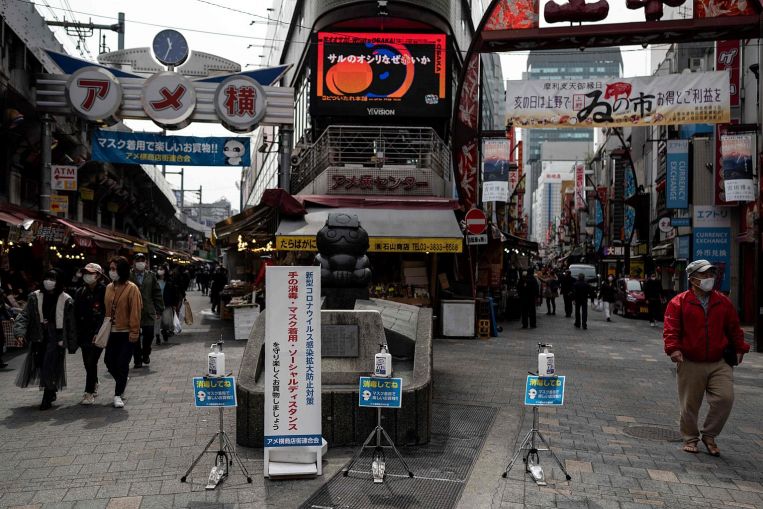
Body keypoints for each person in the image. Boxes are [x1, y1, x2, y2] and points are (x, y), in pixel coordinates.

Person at [663, 260, 750, 456]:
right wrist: (673, 349)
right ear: (693, 279)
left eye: (711, 274)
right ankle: (690, 438)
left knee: (725, 398)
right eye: (704, 275)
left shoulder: (723, 302)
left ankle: (710, 434)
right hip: (690, 361)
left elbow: (734, 329)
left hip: (719, 361)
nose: (709, 278)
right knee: (690, 405)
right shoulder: (679, 302)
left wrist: (740, 348)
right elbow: (671, 329)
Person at [14, 269, 77, 410]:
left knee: (49, 363)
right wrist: (19, 332)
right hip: (39, 335)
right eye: (47, 278)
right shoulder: (34, 297)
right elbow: (25, 316)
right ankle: (51, 389)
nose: (49, 281)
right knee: (41, 363)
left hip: (56, 336)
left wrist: (71, 343)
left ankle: (47, 396)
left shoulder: (66, 299)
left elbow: (71, 323)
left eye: (53, 278)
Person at [104, 256, 142, 408]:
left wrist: (134, 332)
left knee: (122, 363)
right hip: (111, 332)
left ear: (122, 270)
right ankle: (122, 379)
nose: (112, 272)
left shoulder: (132, 288)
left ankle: (118, 394)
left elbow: (135, 312)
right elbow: (106, 310)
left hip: (126, 332)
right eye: (111, 268)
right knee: (109, 362)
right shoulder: (108, 288)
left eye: (115, 269)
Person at [73, 263, 107, 405]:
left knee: (92, 361)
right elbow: (75, 314)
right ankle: (94, 381)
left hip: (99, 332)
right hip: (84, 333)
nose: (87, 275)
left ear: (98, 275)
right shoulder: (80, 292)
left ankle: (89, 392)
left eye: (90, 272)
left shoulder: (105, 291)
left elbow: (106, 313)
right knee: (87, 363)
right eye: (85, 272)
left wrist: (99, 330)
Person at [129, 253, 163, 368]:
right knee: (135, 336)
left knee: (149, 334)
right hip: (133, 311)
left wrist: (159, 309)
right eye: (137, 260)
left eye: (142, 260)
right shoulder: (129, 275)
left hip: (148, 310)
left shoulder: (151, 275)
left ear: (146, 262)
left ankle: (146, 353)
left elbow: (157, 292)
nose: (140, 262)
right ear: (134, 262)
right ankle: (137, 359)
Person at [156, 264, 180, 345]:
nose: (160, 270)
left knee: (166, 322)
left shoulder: (169, 281)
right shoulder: (154, 281)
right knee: (157, 322)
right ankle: (157, 336)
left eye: (162, 269)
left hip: (167, 304)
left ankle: (164, 332)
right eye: (159, 268)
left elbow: (174, 293)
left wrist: (174, 304)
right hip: (157, 305)